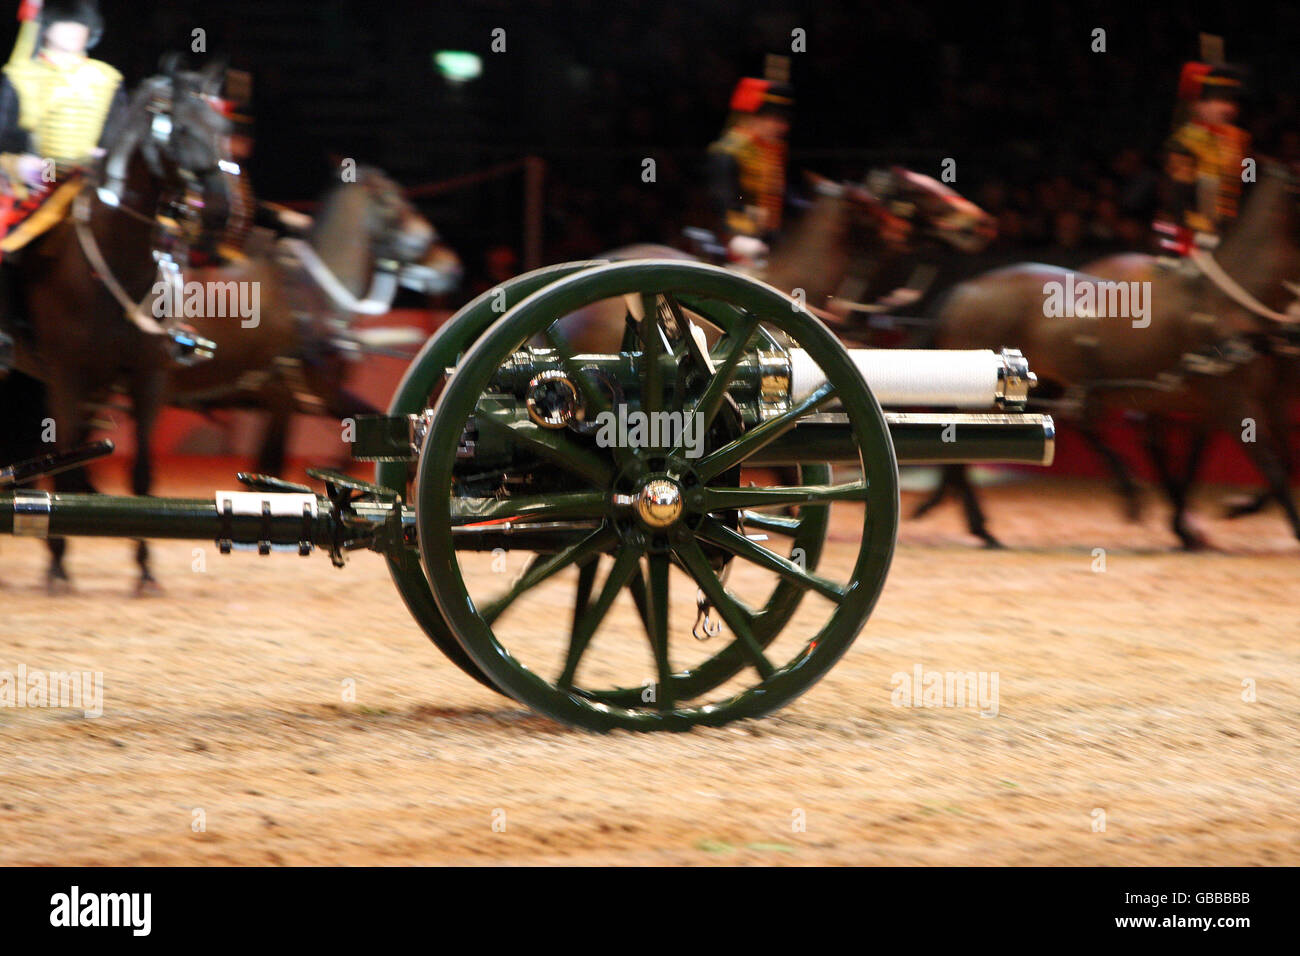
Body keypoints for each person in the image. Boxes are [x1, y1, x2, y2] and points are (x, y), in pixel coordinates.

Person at [1155, 62, 1250, 255]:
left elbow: (1249, 179)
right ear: (1197, 105)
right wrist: (1206, 228)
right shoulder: (1184, 142)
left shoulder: (1239, 140)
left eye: (1230, 102)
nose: (1227, 109)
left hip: (1233, 233)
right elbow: (1180, 197)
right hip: (1191, 230)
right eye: (1218, 101)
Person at [704, 76, 792, 266]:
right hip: (732, 236)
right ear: (753, 117)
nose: (782, 127)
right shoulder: (728, 150)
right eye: (775, 119)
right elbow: (722, 201)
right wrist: (744, 230)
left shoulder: (772, 151)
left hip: (768, 238)